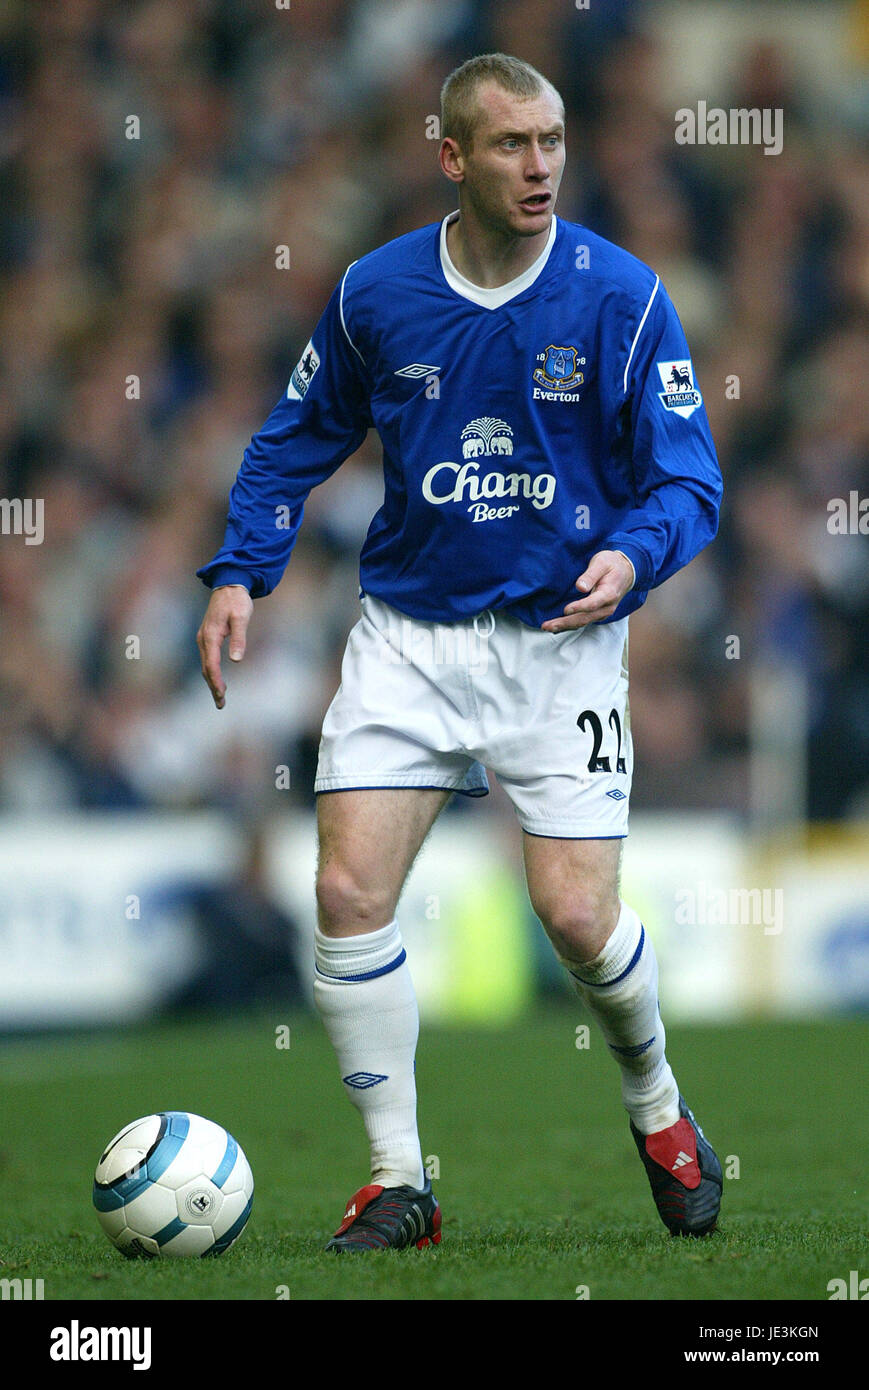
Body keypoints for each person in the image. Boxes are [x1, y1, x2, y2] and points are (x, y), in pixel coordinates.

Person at [196, 53, 724, 1252]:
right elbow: (295, 436)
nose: (538, 166)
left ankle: (656, 1103)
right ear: (451, 157)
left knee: (578, 920)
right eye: (508, 145)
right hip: (409, 638)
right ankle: (398, 1184)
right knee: (343, 893)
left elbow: (689, 477)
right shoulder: (375, 293)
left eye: (549, 143)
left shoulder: (620, 296)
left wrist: (633, 557)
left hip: (560, 644)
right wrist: (239, 568)